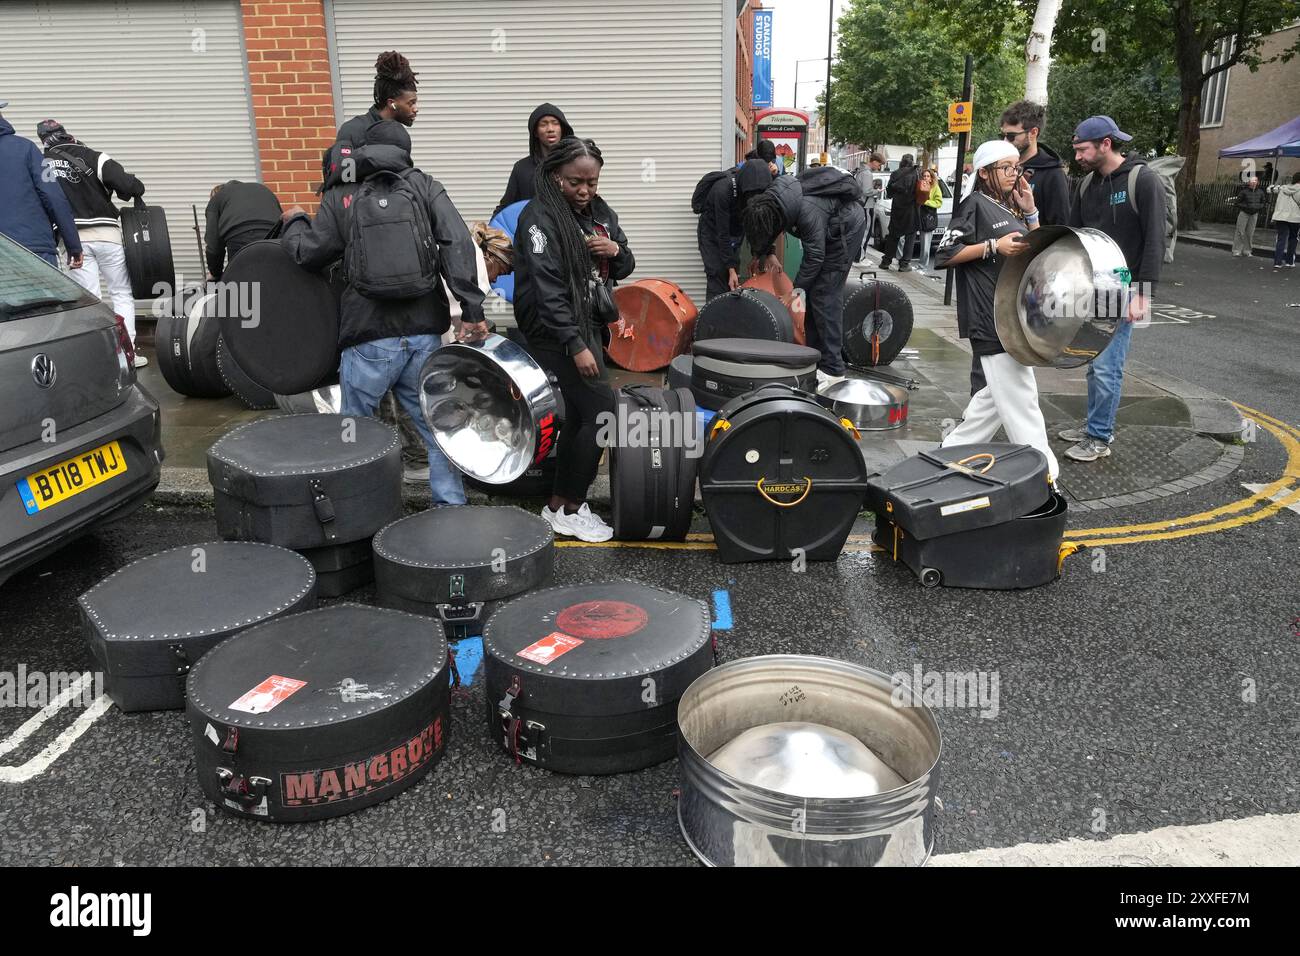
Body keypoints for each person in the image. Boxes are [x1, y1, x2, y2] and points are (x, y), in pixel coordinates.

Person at [280, 121, 488, 505]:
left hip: (368, 336)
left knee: (355, 431)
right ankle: (450, 508)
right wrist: (472, 310)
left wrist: (293, 221)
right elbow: (457, 243)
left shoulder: (342, 193)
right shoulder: (424, 186)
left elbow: (309, 254)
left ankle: (361, 511)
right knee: (438, 426)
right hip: (424, 332)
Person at [514, 137, 635, 542]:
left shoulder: (598, 214)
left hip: (585, 322)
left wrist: (614, 249)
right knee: (603, 412)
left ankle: (561, 505)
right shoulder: (538, 218)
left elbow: (627, 263)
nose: (584, 191)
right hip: (555, 330)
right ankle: (569, 505)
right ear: (553, 176)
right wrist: (576, 344)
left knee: (586, 416)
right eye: (574, 183)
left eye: (592, 183)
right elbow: (548, 289)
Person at [936, 140, 1059, 482]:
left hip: (1012, 316)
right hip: (989, 317)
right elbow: (944, 255)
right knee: (1022, 400)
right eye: (1006, 168)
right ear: (985, 172)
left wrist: (1031, 213)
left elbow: (1036, 254)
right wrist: (992, 246)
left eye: (1016, 167)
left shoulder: (1011, 207)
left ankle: (950, 454)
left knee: (990, 402)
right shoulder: (973, 204)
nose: (1013, 174)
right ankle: (1044, 474)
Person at [1062, 116, 1166, 463]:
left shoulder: (1143, 179)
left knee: (1108, 365)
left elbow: (1155, 240)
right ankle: (1094, 423)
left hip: (1123, 290)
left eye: (1082, 149)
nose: (1077, 156)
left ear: (1105, 144)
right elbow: (1075, 236)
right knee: (1093, 361)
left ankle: (1098, 436)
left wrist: (1143, 294)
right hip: (1093, 289)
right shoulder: (1087, 184)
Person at [742, 164, 867, 387]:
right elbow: (766, 228)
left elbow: (815, 257)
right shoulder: (773, 200)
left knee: (825, 295)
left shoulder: (807, 211)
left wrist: (795, 292)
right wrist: (767, 253)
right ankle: (815, 357)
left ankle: (834, 369)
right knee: (815, 296)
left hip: (846, 229)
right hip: (830, 225)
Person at [35, 119, 143, 361]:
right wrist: (137, 188)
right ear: (65, 133)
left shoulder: (43, 163)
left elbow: (43, 198)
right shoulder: (94, 156)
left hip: (73, 240)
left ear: (43, 139)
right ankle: (128, 353)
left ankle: (99, 356)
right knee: (121, 293)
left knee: (89, 299)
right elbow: (127, 184)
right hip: (108, 235)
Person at [0, 105, 82, 271]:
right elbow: (53, 196)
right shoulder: (26, 148)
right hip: (33, 249)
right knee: (41, 298)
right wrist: (73, 244)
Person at [695, 158, 774, 299]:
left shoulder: (752, 191)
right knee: (718, 274)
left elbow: (754, 225)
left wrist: (758, 255)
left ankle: (729, 315)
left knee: (732, 279)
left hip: (733, 232)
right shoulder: (723, 190)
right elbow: (722, 233)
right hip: (712, 232)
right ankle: (713, 318)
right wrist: (730, 269)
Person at [999, 100, 1072, 227]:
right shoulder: (997, 167)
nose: (1005, 141)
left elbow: (1060, 227)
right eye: (1002, 136)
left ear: (1033, 133)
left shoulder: (1053, 174)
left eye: (1011, 136)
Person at [494, 103, 575, 216]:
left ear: (562, 129)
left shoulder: (575, 164)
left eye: (555, 123)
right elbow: (506, 207)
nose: (550, 129)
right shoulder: (522, 168)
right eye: (544, 124)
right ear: (535, 132)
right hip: (533, 230)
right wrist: (488, 230)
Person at [336, 51, 419, 148]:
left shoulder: (397, 134)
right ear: (392, 103)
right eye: (410, 103)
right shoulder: (352, 130)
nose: (415, 109)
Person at [204, 181, 282, 279]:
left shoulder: (216, 198)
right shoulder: (261, 189)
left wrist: (215, 274)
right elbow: (282, 218)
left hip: (241, 237)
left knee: (243, 285)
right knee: (276, 278)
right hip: (276, 235)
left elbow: (214, 245)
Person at [879, 154, 919, 271]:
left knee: (893, 235)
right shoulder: (916, 173)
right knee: (910, 236)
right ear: (912, 162)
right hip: (911, 208)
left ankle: (886, 261)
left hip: (897, 208)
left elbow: (889, 193)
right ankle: (904, 264)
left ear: (901, 162)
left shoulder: (895, 173)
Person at [855, 152, 886, 257]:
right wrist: (878, 191)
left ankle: (858, 256)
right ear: (874, 161)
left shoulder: (861, 171)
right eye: (879, 164)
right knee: (865, 233)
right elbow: (867, 191)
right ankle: (860, 257)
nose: (879, 167)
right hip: (866, 205)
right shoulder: (867, 173)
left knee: (861, 232)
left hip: (860, 205)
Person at [1267, 172, 1300, 269]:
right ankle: (1290, 262)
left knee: (1281, 239)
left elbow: (1269, 189)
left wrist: (1273, 187)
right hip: (1295, 218)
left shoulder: (1282, 188)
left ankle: (1277, 262)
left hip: (1281, 217)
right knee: (1293, 238)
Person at [1228, 176, 1267, 257]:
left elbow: (1263, 202)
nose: (1253, 182)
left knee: (1250, 233)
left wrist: (1258, 207)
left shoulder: (1260, 192)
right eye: (1252, 181)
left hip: (1254, 214)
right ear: (1249, 182)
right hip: (1244, 213)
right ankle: (1236, 250)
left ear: (1257, 182)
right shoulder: (1244, 192)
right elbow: (1237, 203)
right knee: (1240, 232)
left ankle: (1247, 251)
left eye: (1255, 181)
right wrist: (1246, 207)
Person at [915, 167, 942, 271]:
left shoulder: (935, 188)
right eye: (924, 176)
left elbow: (939, 203)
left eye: (928, 176)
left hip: (928, 217)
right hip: (918, 216)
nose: (926, 178)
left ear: (931, 178)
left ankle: (923, 267)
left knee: (926, 244)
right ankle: (918, 264)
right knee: (920, 242)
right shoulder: (919, 185)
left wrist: (926, 202)